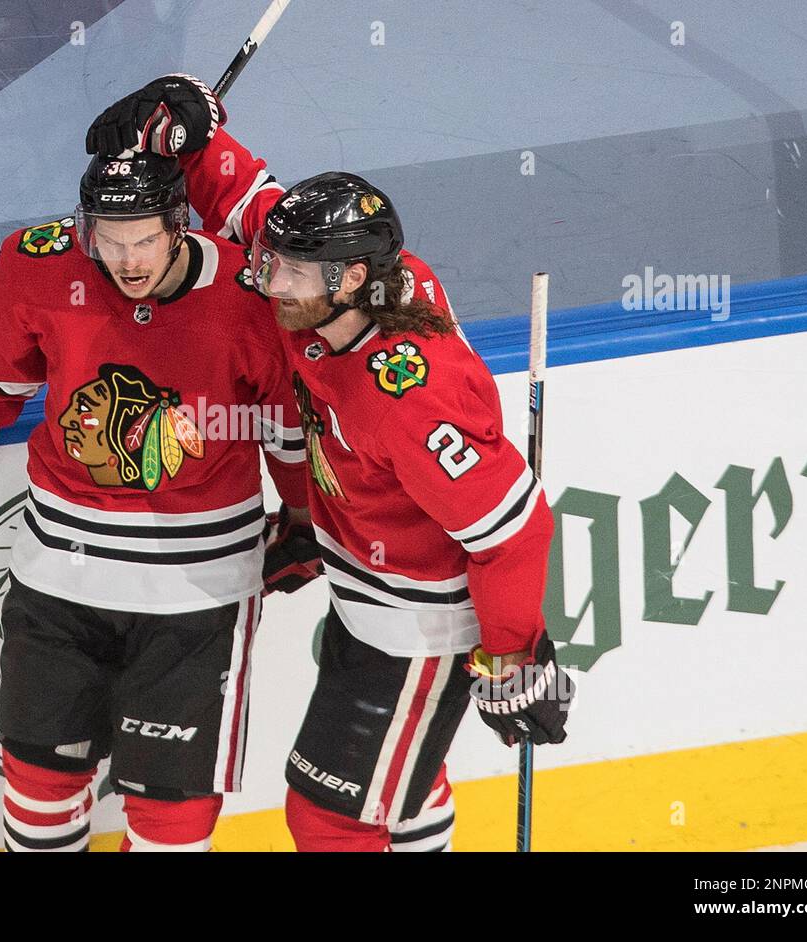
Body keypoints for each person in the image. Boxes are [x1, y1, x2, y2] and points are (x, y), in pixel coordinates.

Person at [87, 75, 574, 852]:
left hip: (419, 629)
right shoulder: (334, 288)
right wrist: (187, 134)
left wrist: (513, 655)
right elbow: (250, 201)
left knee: (330, 820)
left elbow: (511, 529)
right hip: (367, 603)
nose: (262, 277)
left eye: (285, 271)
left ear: (350, 281)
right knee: (402, 792)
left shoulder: (411, 396)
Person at [0, 133, 318, 852]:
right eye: (109, 242)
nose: (128, 261)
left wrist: (302, 518)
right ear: (85, 231)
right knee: (40, 781)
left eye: (144, 240)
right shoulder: (39, 266)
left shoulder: (249, 295)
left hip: (196, 595)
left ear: (183, 225)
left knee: (172, 811)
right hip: (59, 573)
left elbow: (288, 430)